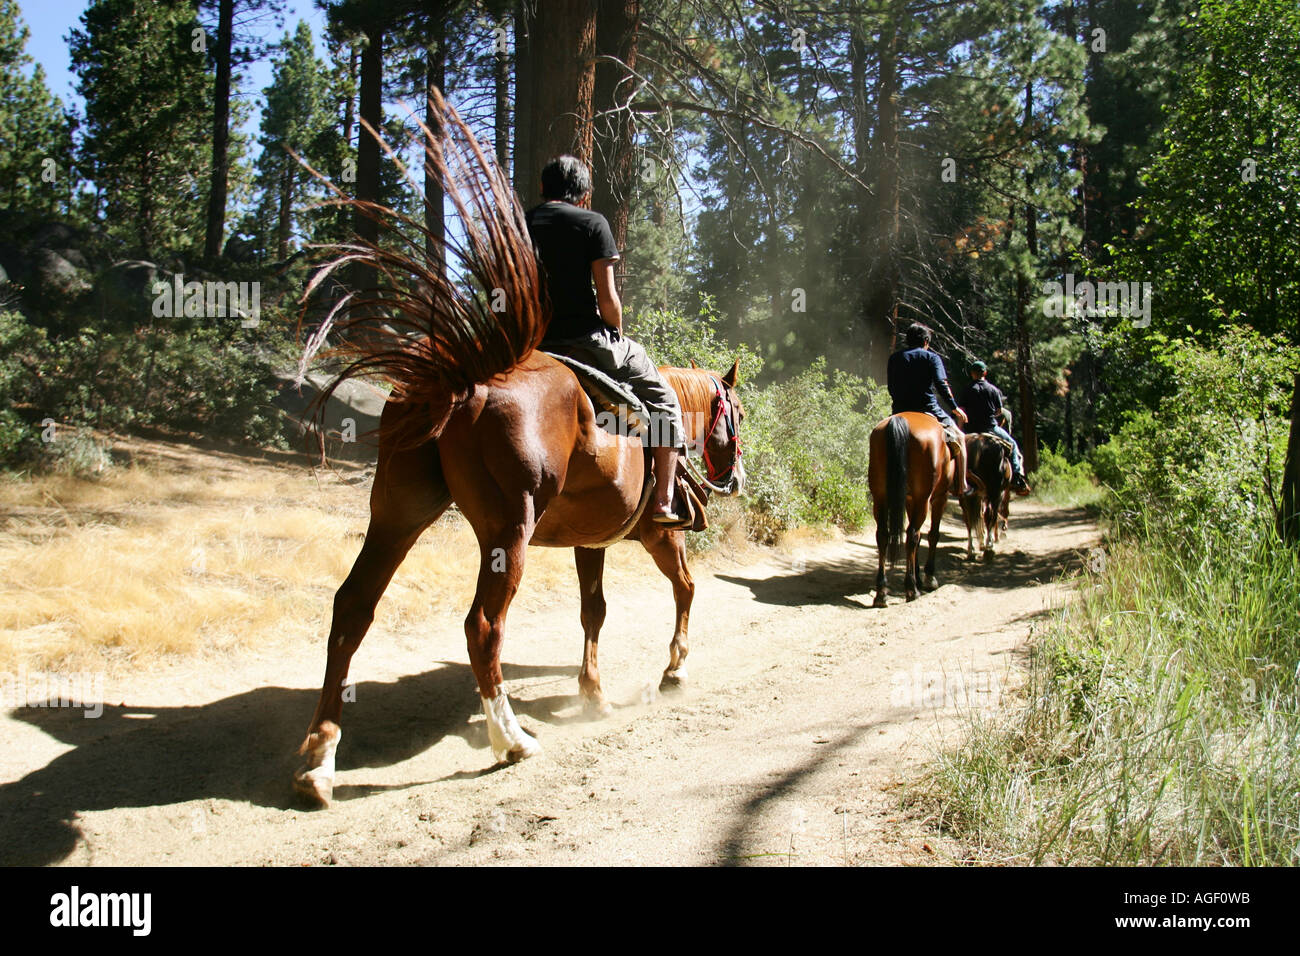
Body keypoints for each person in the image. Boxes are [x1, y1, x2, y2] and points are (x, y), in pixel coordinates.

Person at [524, 155, 686, 523]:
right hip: (585, 341)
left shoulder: (521, 222)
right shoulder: (592, 222)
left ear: (542, 189)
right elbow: (608, 298)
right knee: (665, 403)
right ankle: (663, 500)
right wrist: (618, 332)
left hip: (530, 343)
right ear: (582, 195)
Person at [887, 322, 972, 496]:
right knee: (961, 438)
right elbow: (942, 384)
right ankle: (962, 485)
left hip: (899, 409)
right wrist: (954, 408)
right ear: (926, 341)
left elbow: (891, 386)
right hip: (928, 409)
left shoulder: (895, 358)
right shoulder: (931, 358)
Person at [962, 360, 1030, 495]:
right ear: (985, 373)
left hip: (970, 429)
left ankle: (955, 478)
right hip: (990, 428)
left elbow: (962, 410)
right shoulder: (993, 390)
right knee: (1013, 445)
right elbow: (999, 411)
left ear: (972, 374)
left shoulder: (967, 389)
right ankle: (1017, 478)